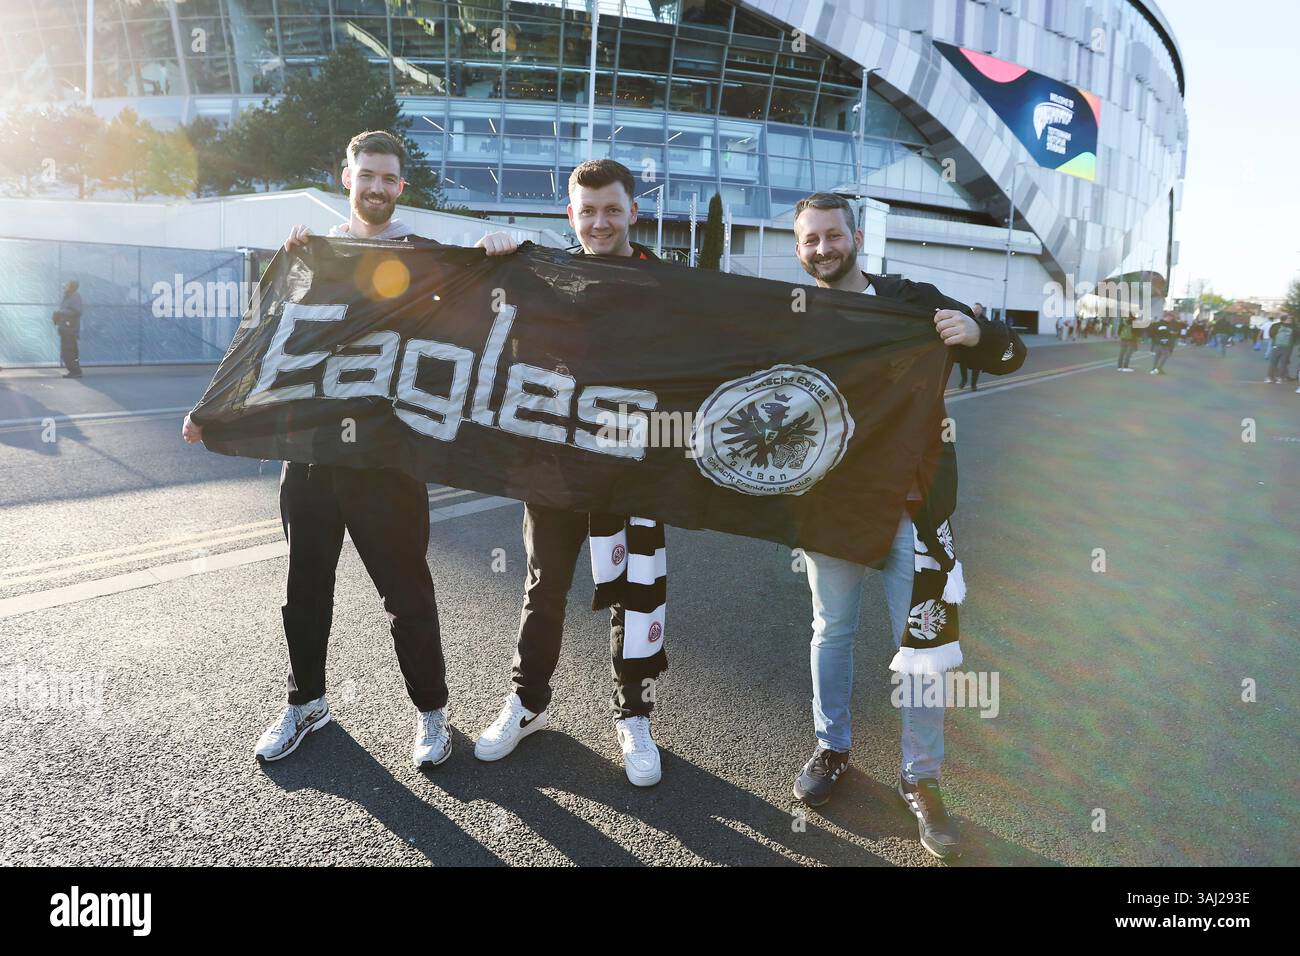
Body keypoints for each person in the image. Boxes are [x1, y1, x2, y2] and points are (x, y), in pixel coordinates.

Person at [183, 130, 510, 769]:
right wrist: (212, 408)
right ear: (346, 176)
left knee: (406, 590)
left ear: (401, 186)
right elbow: (260, 336)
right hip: (310, 452)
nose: (378, 188)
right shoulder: (310, 255)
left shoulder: (421, 256)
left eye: (389, 178)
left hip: (388, 458)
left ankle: (433, 713)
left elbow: (482, 296)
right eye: (368, 175)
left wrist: (498, 247)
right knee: (305, 587)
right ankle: (306, 703)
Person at [786, 192, 1026, 860]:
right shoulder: (793, 316)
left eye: (833, 236)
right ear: (797, 249)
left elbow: (1010, 354)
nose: (824, 249)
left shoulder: (912, 298)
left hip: (914, 511)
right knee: (830, 631)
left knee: (924, 652)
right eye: (811, 240)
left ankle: (921, 777)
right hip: (832, 508)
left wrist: (980, 335)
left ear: (855, 237)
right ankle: (832, 749)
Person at [469, 159, 670, 788]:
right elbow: (476, 320)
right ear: (570, 216)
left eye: (613, 209)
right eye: (588, 211)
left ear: (634, 212)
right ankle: (528, 702)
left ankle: (634, 714)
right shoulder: (544, 274)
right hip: (553, 465)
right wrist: (494, 257)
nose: (600, 221)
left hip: (630, 471)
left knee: (636, 590)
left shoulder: (671, 287)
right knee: (544, 587)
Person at [53, 280, 83, 379]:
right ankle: (75, 370)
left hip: (70, 329)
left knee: (68, 350)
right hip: (66, 328)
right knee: (69, 350)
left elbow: (77, 312)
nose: (64, 287)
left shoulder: (74, 296)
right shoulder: (68, 296)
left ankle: (75, 371)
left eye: (66, 286)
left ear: (71, 287)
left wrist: (61, 312)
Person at [956, 303, 986, 391]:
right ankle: (964, 380)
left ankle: (973, 384)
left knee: (976, 367)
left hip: (978, 348)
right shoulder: (967, 317)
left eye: (978, 309)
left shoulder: (985, 320)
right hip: (965, 347)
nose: (976, 310)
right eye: (975, 308)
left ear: (981, 310)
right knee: (963, 365)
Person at [1266, 317, 1294, 384]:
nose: (1290, 320)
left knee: (1273, 363)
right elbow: (1296, 336)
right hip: (1287, 347)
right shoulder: (1293, 327)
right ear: (1285, 320)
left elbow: (1271, 334)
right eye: (1289, 319)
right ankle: (1280, 378)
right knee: (1283, 363)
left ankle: (1270, 378)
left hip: (1277, 346)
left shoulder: (1276, 326)